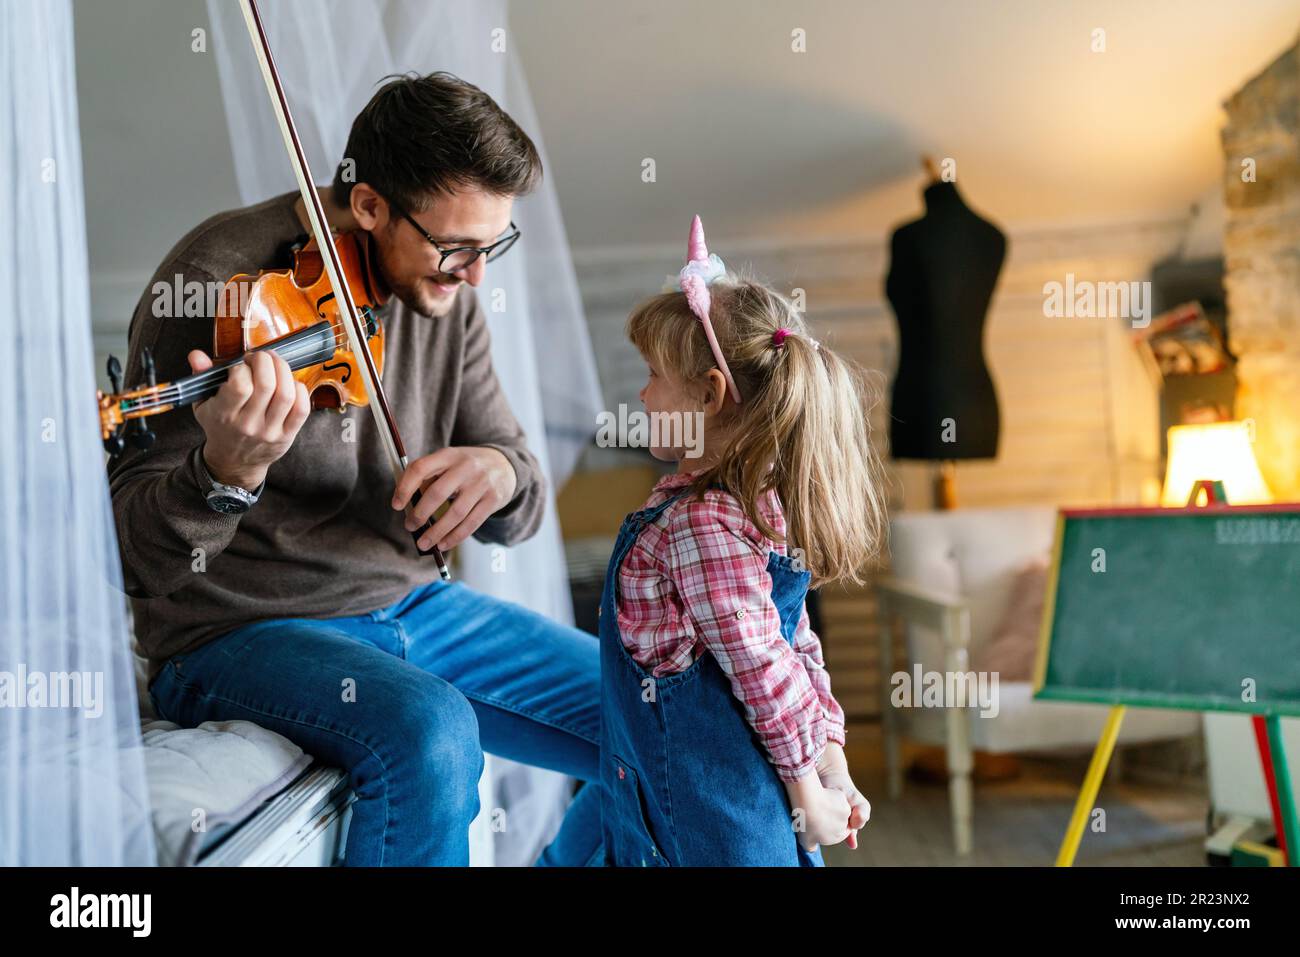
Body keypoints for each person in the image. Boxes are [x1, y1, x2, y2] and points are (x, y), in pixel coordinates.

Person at [110, 72, 601, 866]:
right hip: (239, 630)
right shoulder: (212, 280)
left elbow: (523, 485)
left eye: (491, 246)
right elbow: (129, 556)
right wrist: (222, 475)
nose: (476, 275)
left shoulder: (447, 291)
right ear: (370, 205)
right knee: (433, 731)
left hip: (415, 604)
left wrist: (500, 473)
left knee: (668, 712)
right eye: (457, 248)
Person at [600, 216, 881, 866]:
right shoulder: (753, 509)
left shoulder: (700, 524)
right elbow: (794, 645)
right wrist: (828, 760)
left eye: (652, 375)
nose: (640, 393)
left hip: (711, 827)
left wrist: (813, 786)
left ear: (709, 393)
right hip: (736, 810)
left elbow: (764, 667)